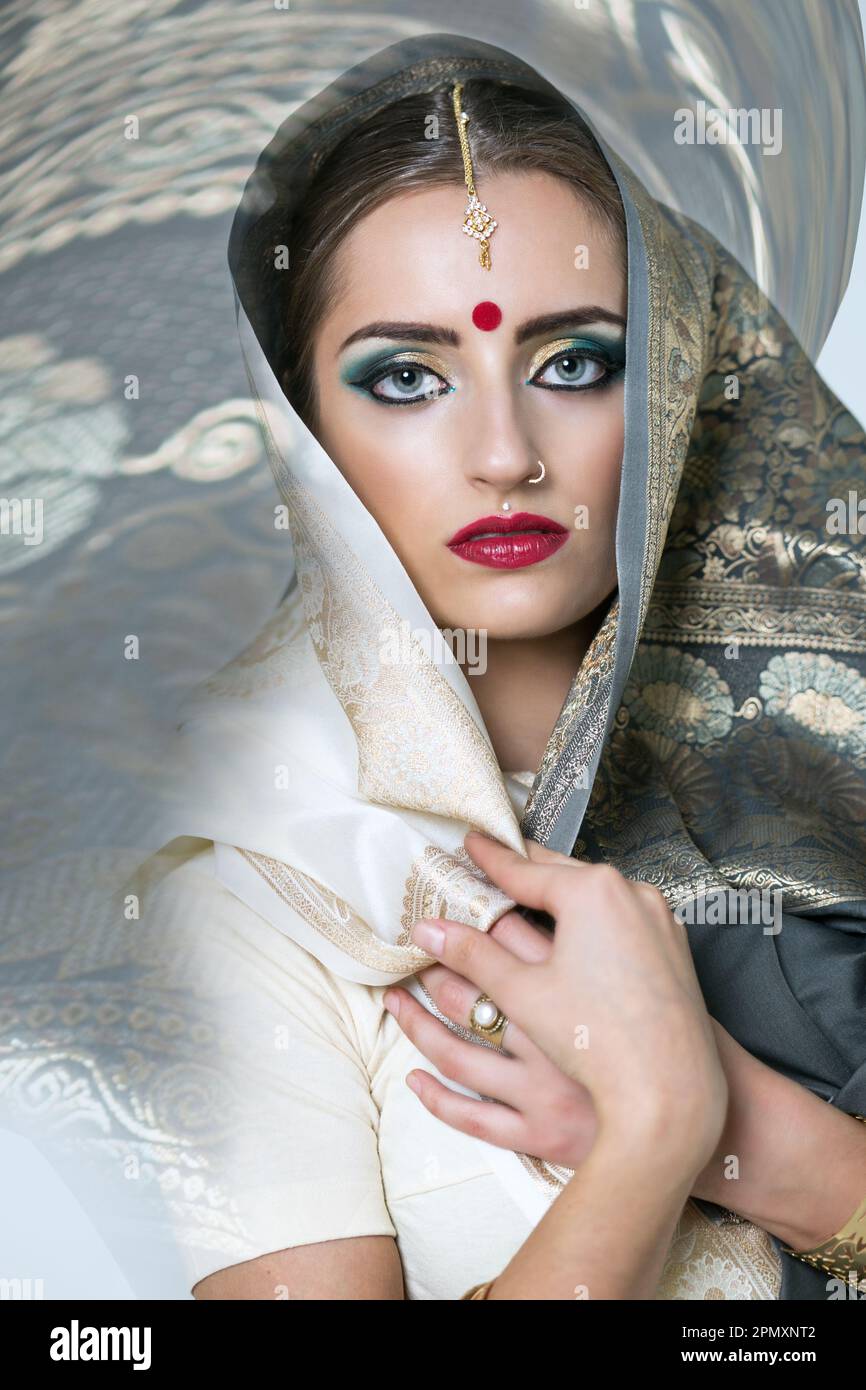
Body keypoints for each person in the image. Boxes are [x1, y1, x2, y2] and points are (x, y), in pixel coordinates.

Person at [143, 33, 866, 1300]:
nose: (501, 453)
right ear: (299, 429)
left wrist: (750, 1132)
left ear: (683, 375)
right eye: (407, 376)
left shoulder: (831, 735)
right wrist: (648, 1132)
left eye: (572, 363)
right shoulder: (257, 881)